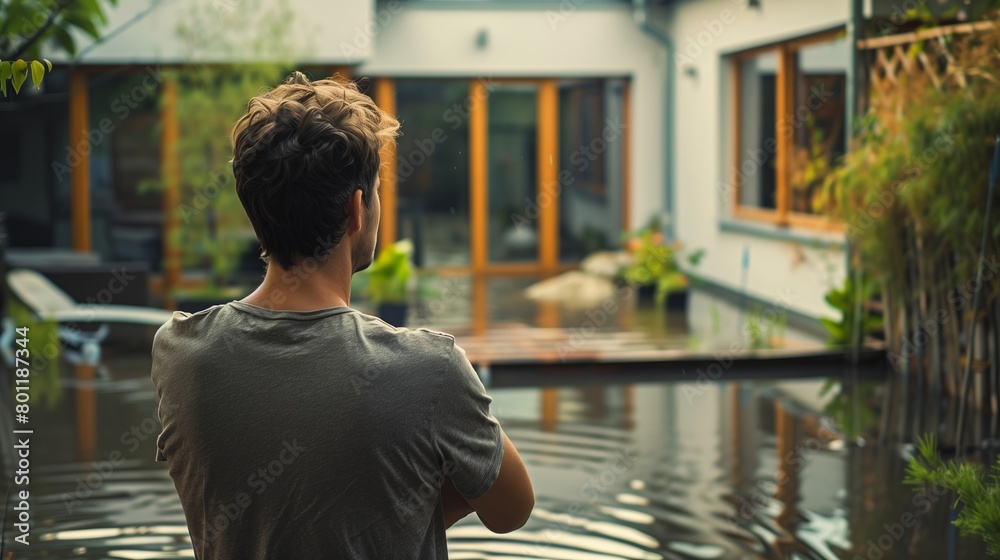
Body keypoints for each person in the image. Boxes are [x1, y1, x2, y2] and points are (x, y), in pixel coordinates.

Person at [151, 72, 534, 559]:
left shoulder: (181, 354)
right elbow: (512, 509)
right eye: (375, 190)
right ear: (357, 209)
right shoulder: (430, 370)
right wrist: (403, 511)